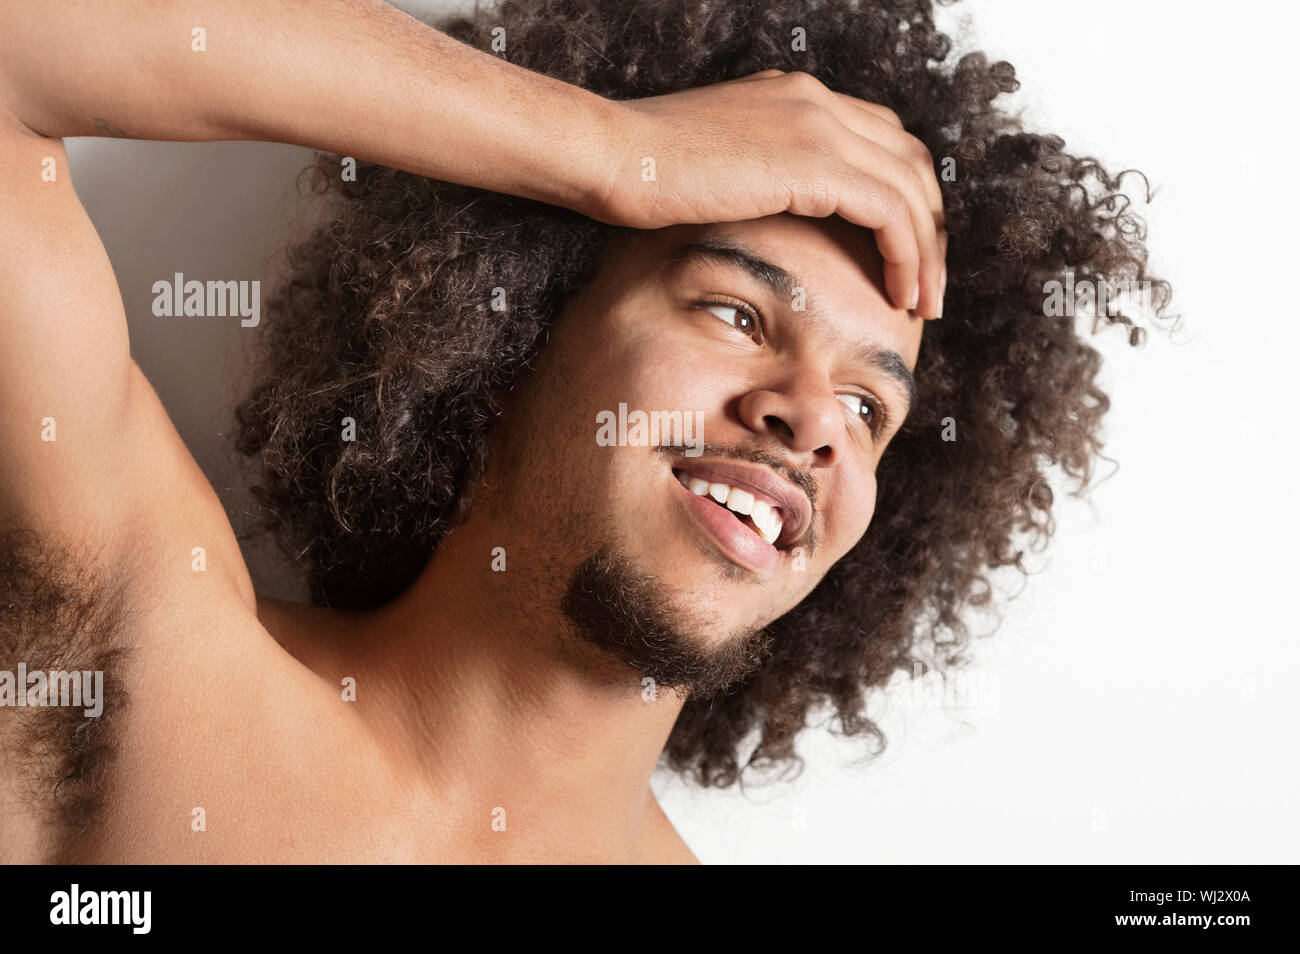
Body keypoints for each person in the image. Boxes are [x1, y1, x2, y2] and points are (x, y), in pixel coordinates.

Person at [0, 0, 1167, 863]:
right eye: (733, 309)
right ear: (510, 336)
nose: (813, 418)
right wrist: (612, 153)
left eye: (872, 407)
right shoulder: (147, 666)